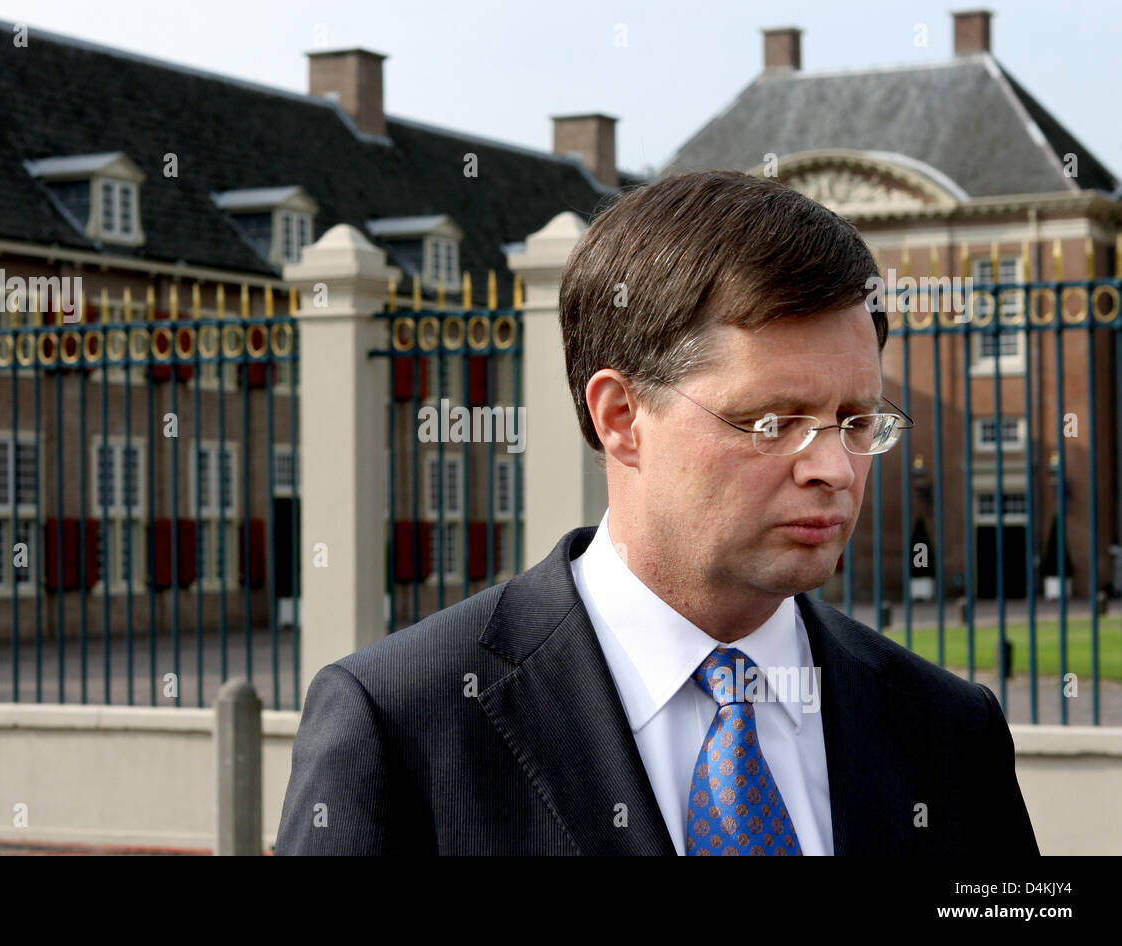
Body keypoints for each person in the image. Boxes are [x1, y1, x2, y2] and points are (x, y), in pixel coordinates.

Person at [275, 170, 1039, 855]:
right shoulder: (400, 724)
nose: (834, 469)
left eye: (857, 421)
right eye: (772, 422)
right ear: (620, 416)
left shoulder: (950, 730)